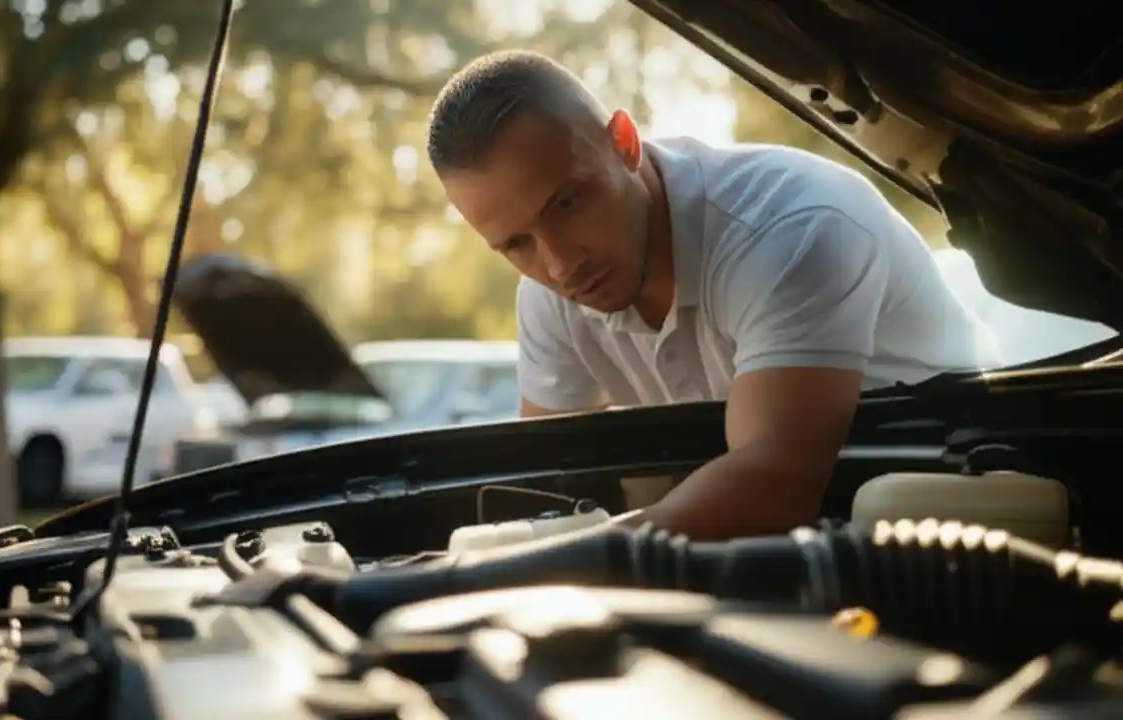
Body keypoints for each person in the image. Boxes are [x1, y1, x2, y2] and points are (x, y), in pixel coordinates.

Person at [425, 50, 998, 540]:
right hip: (774, 551)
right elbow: (540, 483)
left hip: (970, 519)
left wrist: (547, 565)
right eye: (515, 244)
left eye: (567, 203)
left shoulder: (791, 227)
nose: (558, 263)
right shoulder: (551, 294)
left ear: (624, 143)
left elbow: (774, 485)